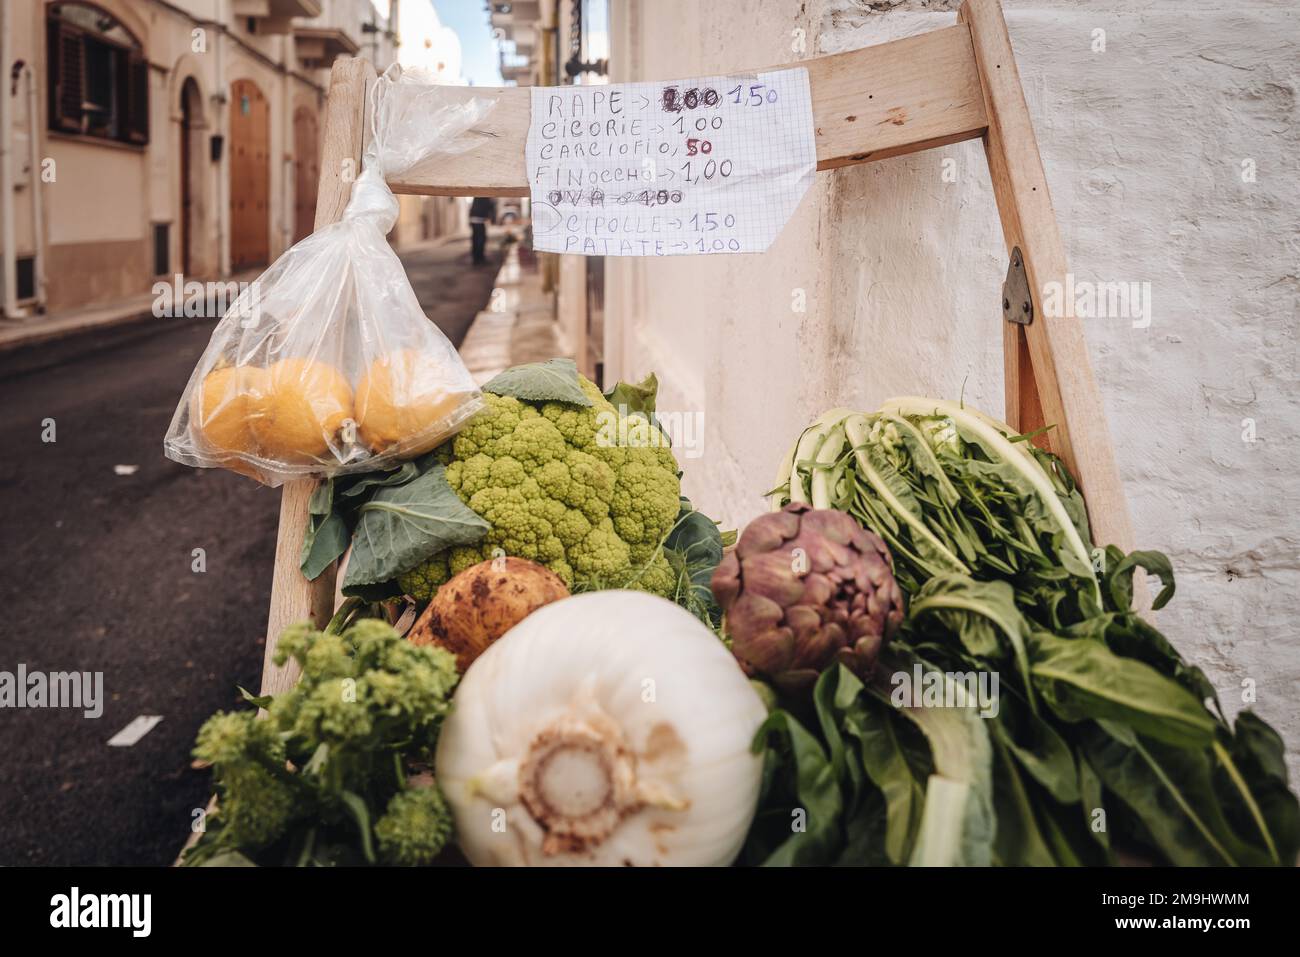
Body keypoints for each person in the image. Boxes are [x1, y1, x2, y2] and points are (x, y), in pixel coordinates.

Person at [469, 197, 497, 265]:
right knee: (481, 239)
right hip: (480, 219)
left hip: (473, 218)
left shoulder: (477, 195)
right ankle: (479, 258)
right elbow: (491, 206)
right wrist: (493, 219)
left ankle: (476, 258)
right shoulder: (486, 195)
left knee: (475, 239)